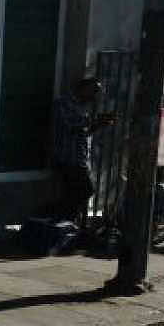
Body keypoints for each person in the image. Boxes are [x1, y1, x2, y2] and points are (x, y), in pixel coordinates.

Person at [49, 76, 117, 223]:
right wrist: (94, 120)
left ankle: (66, 222)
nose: (95, 97)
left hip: (78, 159)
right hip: (66, 158)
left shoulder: (80, 107)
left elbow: (84, 132)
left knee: (73, 193)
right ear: (84, 89)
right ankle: (63, 220)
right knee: (85, 190)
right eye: (94, 92)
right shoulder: (63, 103)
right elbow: (70, 125)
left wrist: (98, 124)